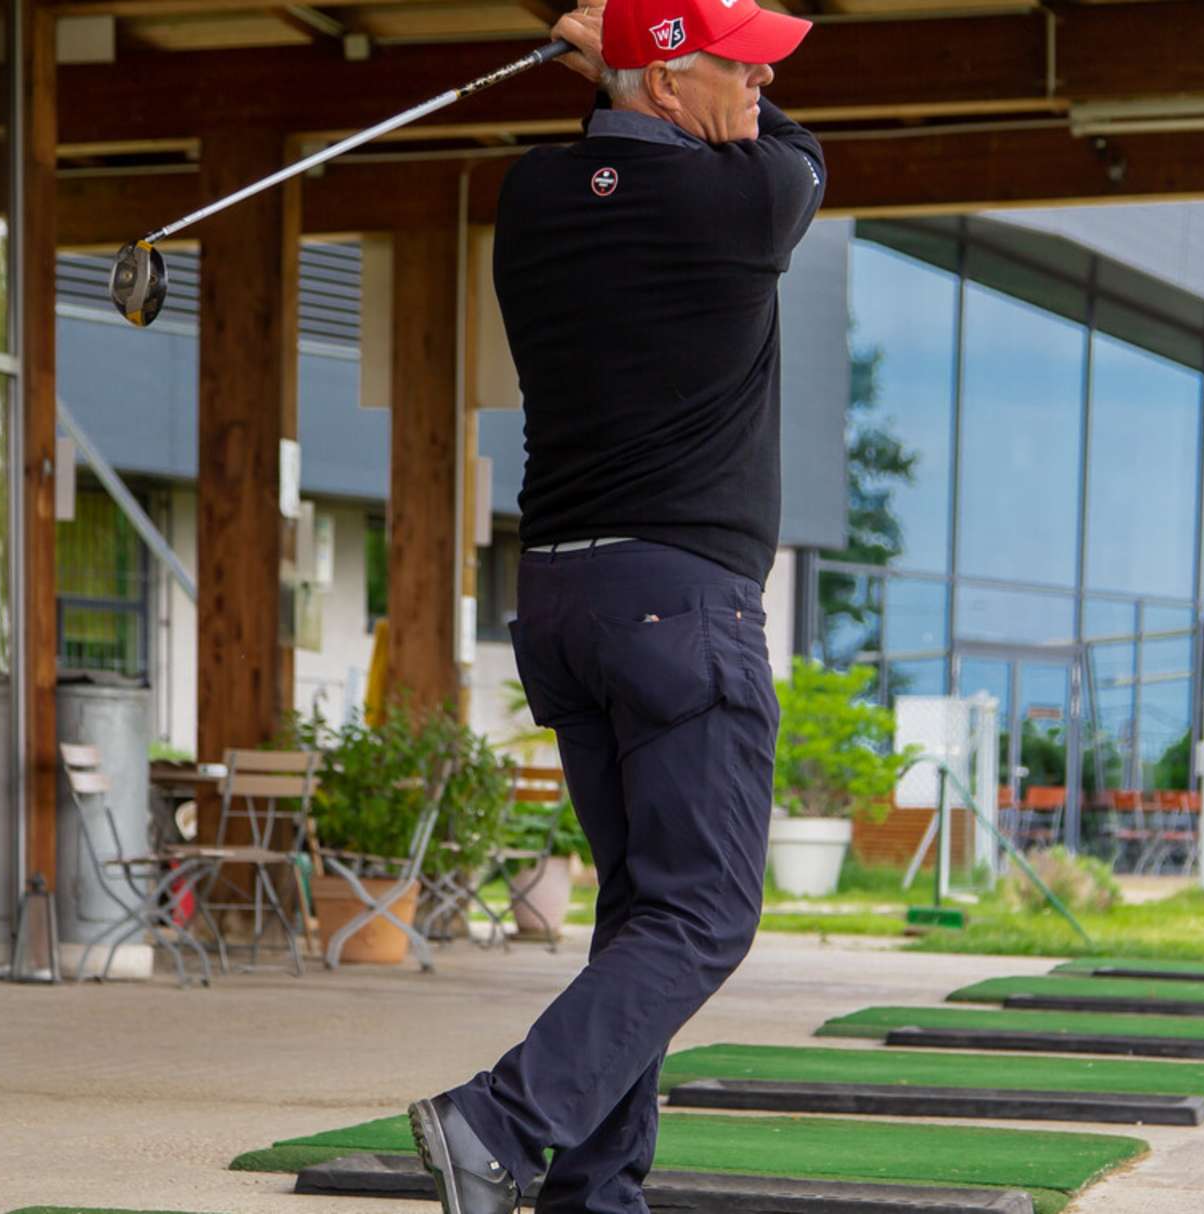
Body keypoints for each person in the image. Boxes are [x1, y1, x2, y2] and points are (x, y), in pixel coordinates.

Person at [406, 0, 823, 1210]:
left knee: (645, 905)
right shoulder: (743, 198)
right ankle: (498, 1117)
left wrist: (629, 68)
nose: (761, 89)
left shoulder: (532, 194)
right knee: (706, 912)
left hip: (564, 599)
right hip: (680, 606)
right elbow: (803, 152)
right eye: (741, 68)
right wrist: (621, 59)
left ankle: (594, 1192)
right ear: (670, 85)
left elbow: (651, 134)